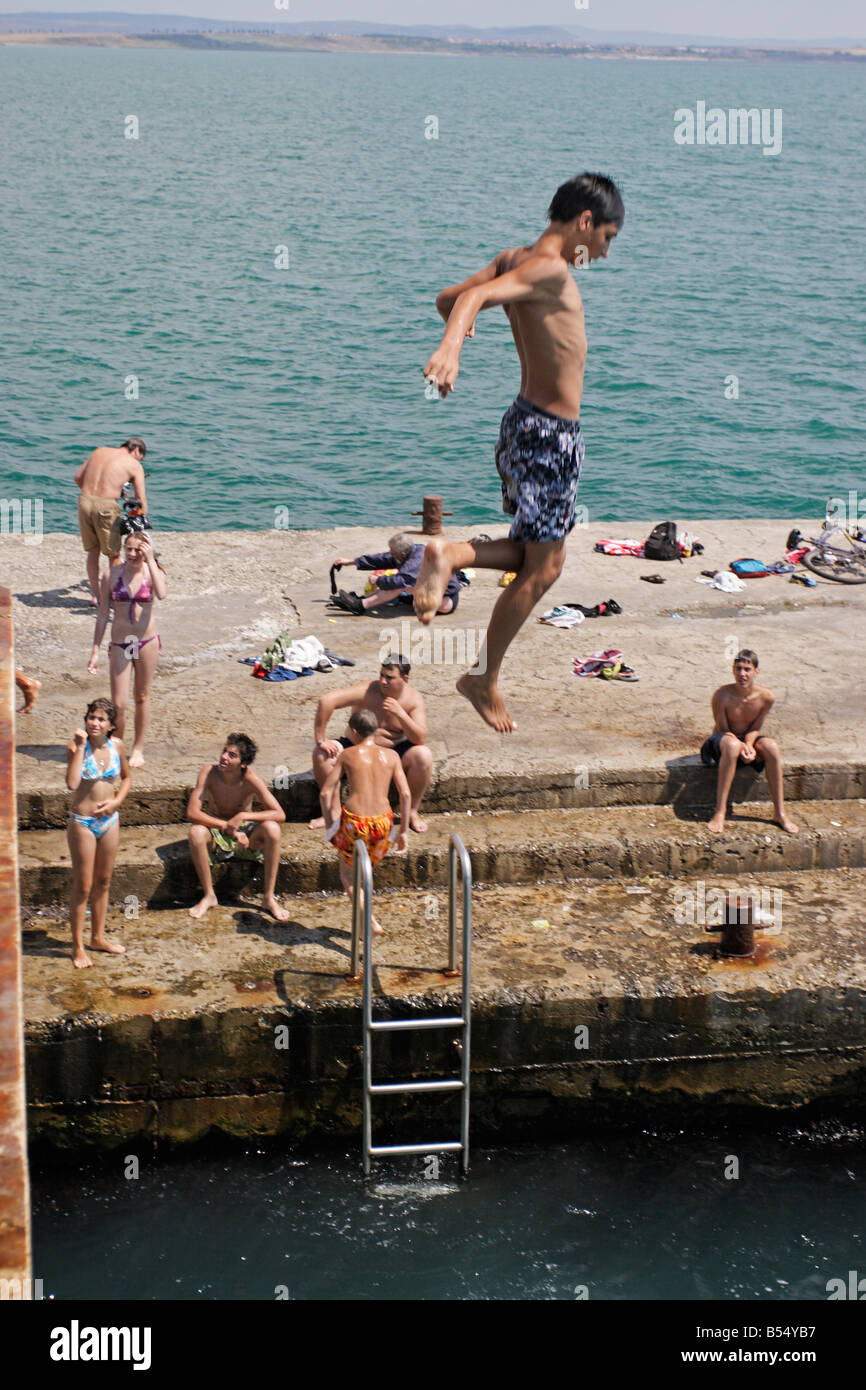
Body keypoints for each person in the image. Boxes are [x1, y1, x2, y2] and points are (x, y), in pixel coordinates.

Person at [415, 172, 625, 733]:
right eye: (605, 239)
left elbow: (450, 299)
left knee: (534, 556)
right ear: (584, 221)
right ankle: (482, 676)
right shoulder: (552, 270)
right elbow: (474, 300)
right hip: (551, 435)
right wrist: (452, 347)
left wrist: (456, 322)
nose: (602, 254)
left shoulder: (515, 258)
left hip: (520, 426)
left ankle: (453, 557)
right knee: (547, 567)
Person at [310, 655, 432, 832]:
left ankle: (412, 811)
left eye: (389, 678)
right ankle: (334, 810)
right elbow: (326, 701)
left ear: (404, 679)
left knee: (423, 755)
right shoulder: (367, 690)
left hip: (393, 753)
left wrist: (401, 714)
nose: (383, 681)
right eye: (381, 675)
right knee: (321, 754)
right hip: (356, 748)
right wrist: (321, 739)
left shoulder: (413, 700)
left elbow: (420, 738)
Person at [320, 709, 410, 935]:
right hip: (382, 823)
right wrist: (404, 831)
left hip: (354, 822)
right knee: (365, 868)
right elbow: (405, 794)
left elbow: (325, 792)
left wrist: (331, 822)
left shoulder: (348, 755)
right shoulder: (392, 756)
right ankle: (364, 922)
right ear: (376, 730)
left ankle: (369, 920)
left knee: (347, 875)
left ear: (354, 732)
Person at [186, 732, 289, 921]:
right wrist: (227, 826)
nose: (224, 757)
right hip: (217, 832)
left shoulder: (250, 778)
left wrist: (242, 816)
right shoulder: (209, 772)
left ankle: (268, 897)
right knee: (196, 833)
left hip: (245, 836)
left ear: (243, 764)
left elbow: (279, 813)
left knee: (273, 829)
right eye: (224, 751)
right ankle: (209, 895)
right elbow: (192, 812)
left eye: (232, 755)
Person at [88, 532, 166, 767]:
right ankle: (117, 744)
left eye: (137, 550)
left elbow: (162, 594)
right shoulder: (111, 575)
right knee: (119, 703)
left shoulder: (154, 573)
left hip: (146, 642)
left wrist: (150, 560)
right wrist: (95, 650)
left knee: (141, 696)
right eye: (128, 549)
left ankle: (138, 748)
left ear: (146, 551)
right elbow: (103, 614)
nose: (132, 554)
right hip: (122, 643)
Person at [702, 650, 798, 836]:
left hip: (746, 740)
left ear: (756, 671)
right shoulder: (721, 696)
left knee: (772, 747)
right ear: (733, 670)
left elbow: (755, 728)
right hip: (723, 742)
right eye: (738, 669)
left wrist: (748, 744)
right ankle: (720, 812)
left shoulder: (766, 697)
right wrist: (740, 746)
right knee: (733, 745)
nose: (742, 674)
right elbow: (722, 729)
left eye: (747, 669)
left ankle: (780, 813)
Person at [65, 697, 131, 968]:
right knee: (83, 885)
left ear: (111, 725)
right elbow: (71, 783)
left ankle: (97, 937)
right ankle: (78, 946)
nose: (95, 722)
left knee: (103, 881)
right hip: (82, 822)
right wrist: (80, 747)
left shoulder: (117, 746)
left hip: (110, 820)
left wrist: (116, 802)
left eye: (101, 719)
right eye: (92, 717)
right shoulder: (76, 748)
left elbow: (126, 778)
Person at [74, 438, 148, 603]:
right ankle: (115, 596)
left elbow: (78, 477)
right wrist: (142, 523)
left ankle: (95, 595)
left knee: (93, 551)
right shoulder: (134, 464)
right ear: (136, 450)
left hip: (85, 501)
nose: (137, 461)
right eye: (139, 457)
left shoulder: (99, 451)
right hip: (106, 506)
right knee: (113, 554)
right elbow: (140, 499)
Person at [332, 532, 461, 614]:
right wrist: (350, 562)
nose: (390, 553)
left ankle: (361, 606)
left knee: (398, 584)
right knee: (397, 582)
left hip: (445, 601)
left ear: (402, 554)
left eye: (392, 551)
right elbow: (381, 559)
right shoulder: (410, 551)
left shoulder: (416, 560)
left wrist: (378, 580)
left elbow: (400, 581)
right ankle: (361, 600)